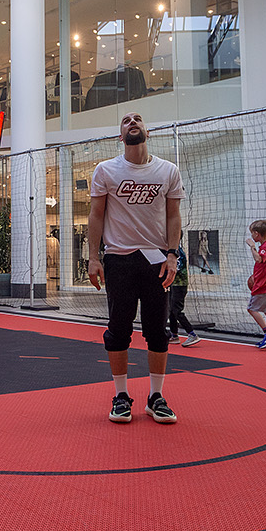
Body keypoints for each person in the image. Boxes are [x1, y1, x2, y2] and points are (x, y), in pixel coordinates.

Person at [88, 111, 185, 425]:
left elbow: (173, 217)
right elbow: (96, 216)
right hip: (119, 259)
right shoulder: (106, 170)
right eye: (126, 121)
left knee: (158, 331)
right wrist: (93, 257)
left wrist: (172, 255)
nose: (132, 122)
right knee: (118, 331)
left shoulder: (168, 170)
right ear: (120, 136)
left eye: (138, 119)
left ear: (146, 131)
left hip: (157, 260)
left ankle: (156, 397)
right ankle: (121, 395)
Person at [246, 219, 266, 349]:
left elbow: (259, 258)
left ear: (256, 233)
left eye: (252, 233)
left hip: (263, 286)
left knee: (251, 309)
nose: (251, 236)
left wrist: (252, 246)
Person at [166, 245, 199, 346]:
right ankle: (174, 335)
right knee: (171, 309)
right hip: (174, 284)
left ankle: (192, 334)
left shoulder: (176, 252)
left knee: (176, 310)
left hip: (179, 285)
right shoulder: (174, 251)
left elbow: (176, 268)